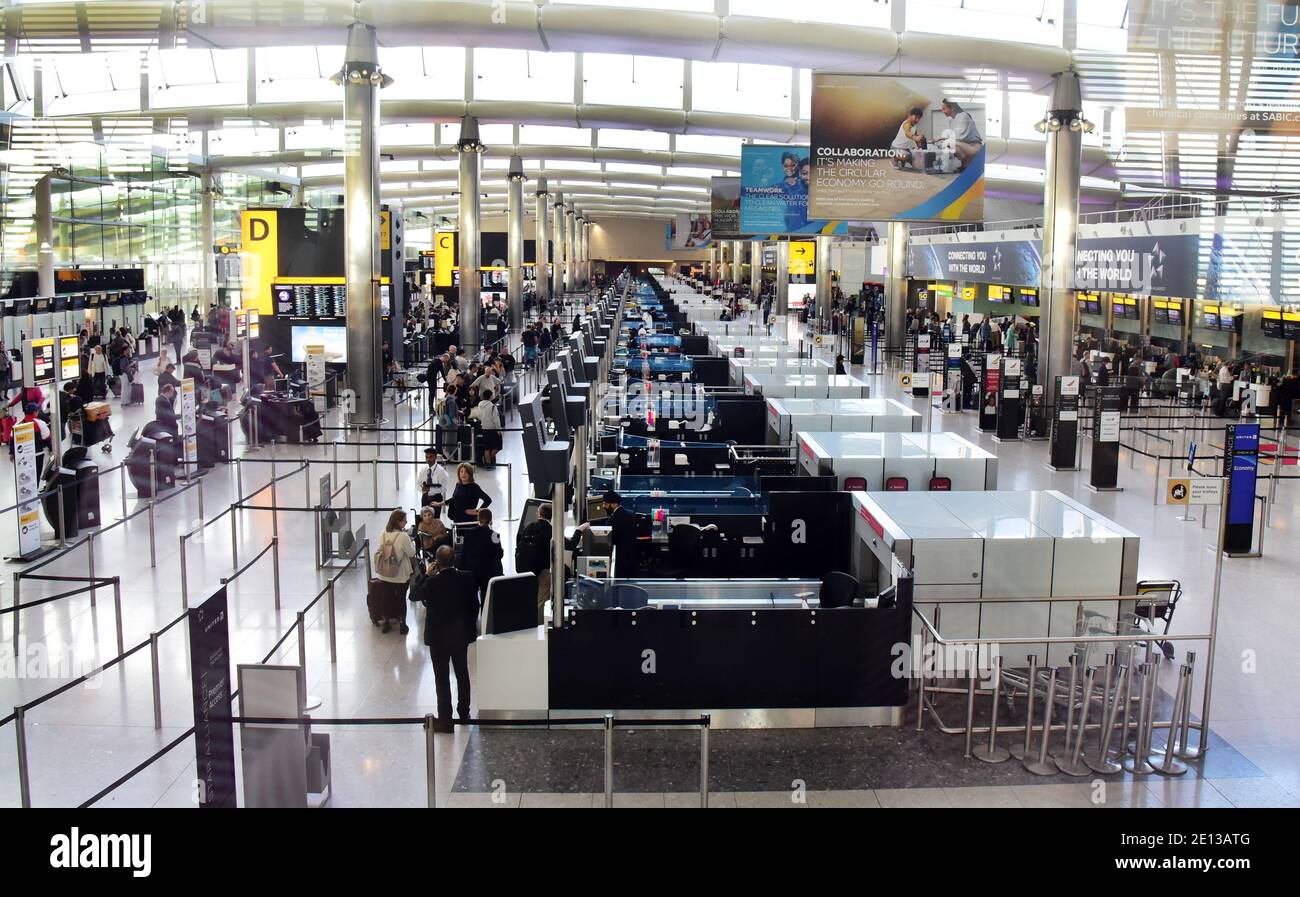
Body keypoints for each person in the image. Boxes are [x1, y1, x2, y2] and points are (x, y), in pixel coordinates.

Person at [410, 545, 479, 732]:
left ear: (437, 563)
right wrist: (468, 628)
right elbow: (475, 605)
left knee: (441, 679)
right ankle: (464, 713)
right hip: (459, 634)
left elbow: (413, 594)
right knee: (462, 674)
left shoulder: (433, 583)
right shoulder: (467, 578)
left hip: (438, 638)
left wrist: (426, 574)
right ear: (454, 560)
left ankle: (446, 720)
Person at [517, 503, 588, 624]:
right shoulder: (551, 530)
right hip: (544, 569)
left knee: (531, 597)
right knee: (542, 599)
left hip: (527, 568)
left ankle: (528, 621)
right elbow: (570, 545)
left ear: (539, 514)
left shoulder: (529, 526)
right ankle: (538, 626)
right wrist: (579, 530)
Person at [373, 509, 417, 634]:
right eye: (404, 520)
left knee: (386, 597)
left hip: (385, 573)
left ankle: (386, 622)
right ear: (398, 522)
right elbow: (411, 553)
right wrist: (411, 542)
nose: (406, 522)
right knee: (401, 598)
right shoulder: (403, 536)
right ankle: (402, 623)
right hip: (400, 574)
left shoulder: (383, 533)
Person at [459, 507, 504, 605]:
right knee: (486, 596)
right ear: (490, 520)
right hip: (488, 570)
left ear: (478, 518)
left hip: (472, 569)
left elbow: (465, 551)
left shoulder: (469, 532)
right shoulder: (494, 535)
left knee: (472, 595)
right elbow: (499, 554)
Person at [602, 490, 643, 575]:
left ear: (614, 504)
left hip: (620, 560)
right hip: (633, 558)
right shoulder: (632, 514)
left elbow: (610, 541)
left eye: (605, 504)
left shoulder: (612, 520)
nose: (604, 506)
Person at [941, 99, 983, 171]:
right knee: (948, 144)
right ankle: (965, 165)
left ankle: (967, 163)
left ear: (952, 108)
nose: (942, 111)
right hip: (965, 146)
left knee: (949, 143)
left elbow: (960, 136)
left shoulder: (963, 115)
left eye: (944, 109)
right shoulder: (951, 121)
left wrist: (946, 139)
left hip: (973, 147)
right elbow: (955, 136)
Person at [469, 388, 502, 468]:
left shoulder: (480, 405)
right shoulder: (492, 407)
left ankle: (488, 464)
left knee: (487, 448)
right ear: (490, 396)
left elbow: (479, 416)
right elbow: (496, 420)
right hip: (493, 429)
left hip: (484, 428)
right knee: (498, 446)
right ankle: (489, 460)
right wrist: (499, 430)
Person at [419, 447, 451, 516]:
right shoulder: (423, 470)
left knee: (435, 519)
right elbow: (418, 483)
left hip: (436, 498)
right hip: (425, 497)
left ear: (435, 457)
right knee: (424, 518)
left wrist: (430, 490)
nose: (428, 459)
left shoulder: (441, 471)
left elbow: (444, 488)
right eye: (426, 457)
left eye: (430, 457)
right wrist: (422, 489)